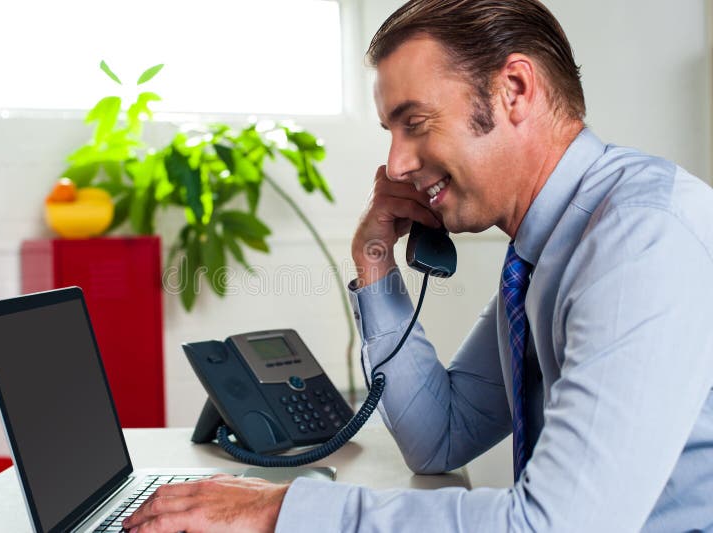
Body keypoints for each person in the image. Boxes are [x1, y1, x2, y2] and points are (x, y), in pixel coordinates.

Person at [123, 0, 713, 531]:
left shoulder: (641, 239)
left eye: (415, 123)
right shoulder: (548, 252)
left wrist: (281, 511)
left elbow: (554, 525)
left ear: (513, 89)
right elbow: (441, 436)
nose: (396, 165)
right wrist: (375, 263)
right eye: (391, 131)